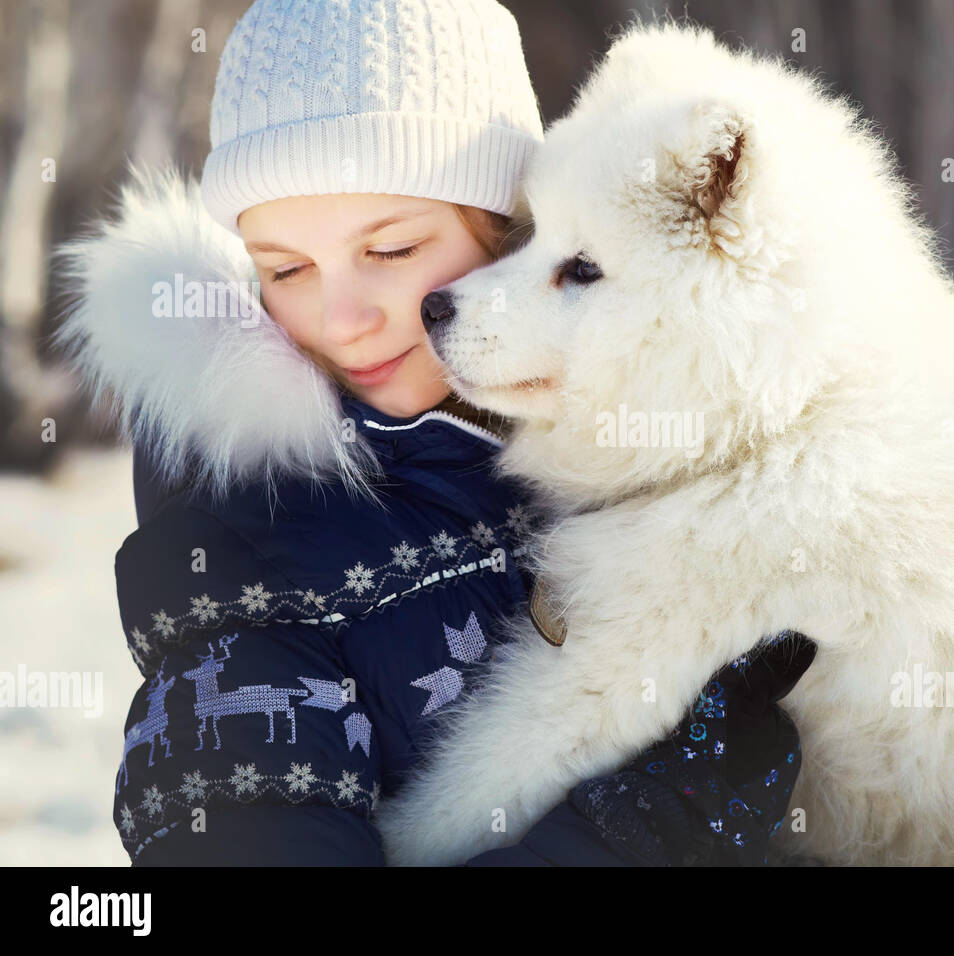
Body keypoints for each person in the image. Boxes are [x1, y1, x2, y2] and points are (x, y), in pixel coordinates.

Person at [55, 0, 810, 866]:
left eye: (391, 251)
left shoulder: (669, 458)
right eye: (288, 269)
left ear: (506, 230)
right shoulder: (239, 572)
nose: (342, 320)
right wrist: (634, 840)